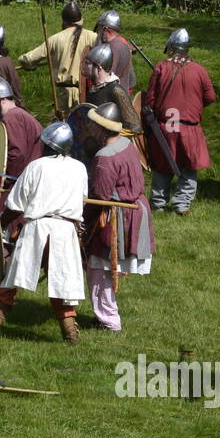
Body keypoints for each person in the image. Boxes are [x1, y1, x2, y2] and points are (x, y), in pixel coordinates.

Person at [0, 122, 88, 344]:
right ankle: (70, 334)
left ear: (48, 145)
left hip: (38, 229)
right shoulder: (79, 168)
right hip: (65, 231)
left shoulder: (37, 166)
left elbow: (16, 204)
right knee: (62, 285)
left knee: (10, 282)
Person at [82, 103, 153, 332]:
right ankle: (107, 315)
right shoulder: (126, 143)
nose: (91, 126)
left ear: (102, 128)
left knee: (99, 269)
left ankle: (109, 320)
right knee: (102, 269)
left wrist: (82, 219)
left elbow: (100, 196)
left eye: (94, 123)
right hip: (134, 208)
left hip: (116, 217)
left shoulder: (104, 157)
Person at [141, 28, 216, 216]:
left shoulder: (161, 67)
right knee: (188, 167)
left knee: (162, 166)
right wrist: (192, 106)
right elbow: (210, 97)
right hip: (189, 128)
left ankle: (158, 205)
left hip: (165, 127)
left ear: (171, 47)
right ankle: (182, 205)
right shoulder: (199, 70)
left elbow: (150, 100)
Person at [0, 77, 43, 208]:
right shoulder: (20, 114)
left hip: (21, 188)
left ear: (2, 100)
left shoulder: (12, 118)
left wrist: (2, 179)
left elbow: (17, 155)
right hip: (28, 184)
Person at [18, 1, 87, 117]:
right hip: (84, 94)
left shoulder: (55, 39)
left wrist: (27, 63)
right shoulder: (93, 37)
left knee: (61, 128)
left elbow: (28, 59)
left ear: (64, 21)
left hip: (65, 95)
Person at [82, 9, 135, 97]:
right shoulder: (123, 43)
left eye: (99, 29)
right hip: (120, 94)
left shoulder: (112, 47)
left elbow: (106, 77)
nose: (99, 33)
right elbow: (131, 80)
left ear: (105, 29)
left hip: (111, 97)